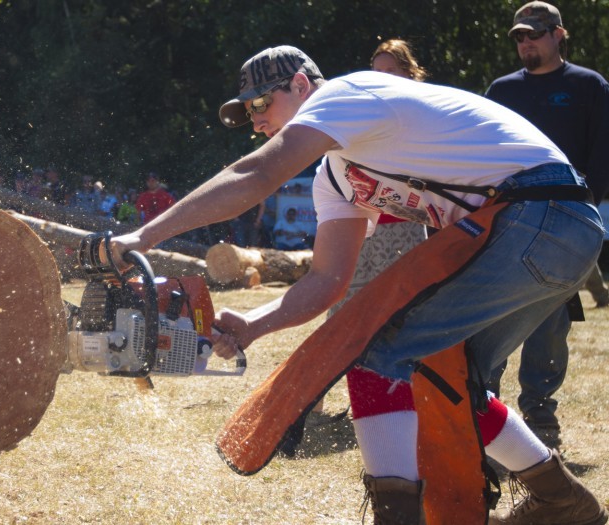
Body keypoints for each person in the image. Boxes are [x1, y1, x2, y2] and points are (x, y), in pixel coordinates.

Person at [110, 45, 606, 524]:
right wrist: (253, 326)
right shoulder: (336, 176)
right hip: (550, 231)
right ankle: (562, 501)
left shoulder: (350, 92)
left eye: (261, 105)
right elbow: (327, 279)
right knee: (448, 379)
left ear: (301, 85)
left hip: (541, 216)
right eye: (247, 115)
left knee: (377, 354)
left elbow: (256, 174)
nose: (257, 122)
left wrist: (145, 235)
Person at [484, 1, 609, 451]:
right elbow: (484, 156)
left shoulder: (588, 85)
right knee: (490, 318)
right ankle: (483, 411)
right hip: (506, 221)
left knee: (549, 323)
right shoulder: (501, 91)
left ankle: (540, 416)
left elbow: (603, 155)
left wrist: (589, 216)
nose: (525, 42)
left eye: (534, 34)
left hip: (565, 224)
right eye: (519, 36)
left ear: (559, 34)